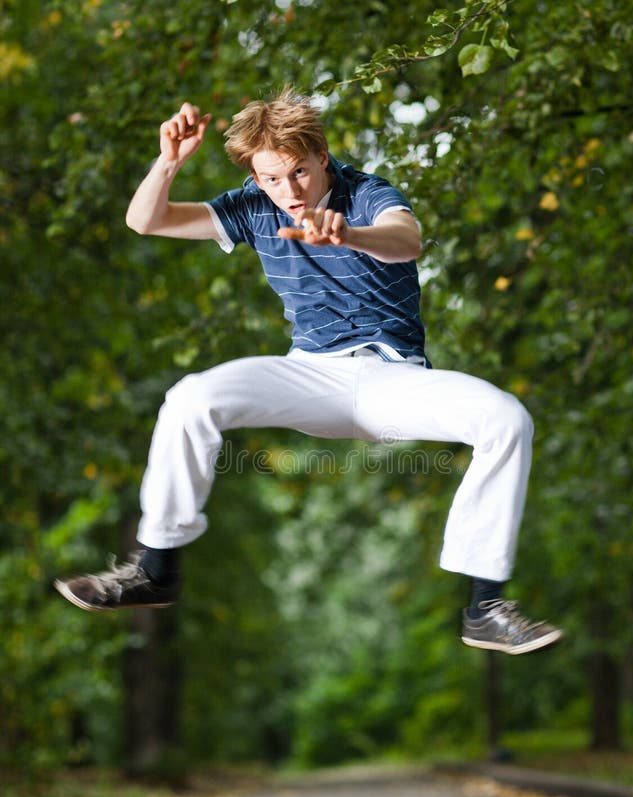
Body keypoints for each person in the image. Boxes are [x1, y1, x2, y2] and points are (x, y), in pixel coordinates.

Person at [55, 86, 562, 655]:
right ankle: (156, 568)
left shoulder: (366, 193)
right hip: (311, 375)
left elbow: (407, 240)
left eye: (299, 172)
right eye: (272, 178)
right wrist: (168, 162)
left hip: (394, 381)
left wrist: (349, 234)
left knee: (506, 419)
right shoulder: (252, 206)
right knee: (191, 397)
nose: (289, 191)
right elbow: (146, 220)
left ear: (322, 156)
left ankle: (484, 607)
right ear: (256, 176)